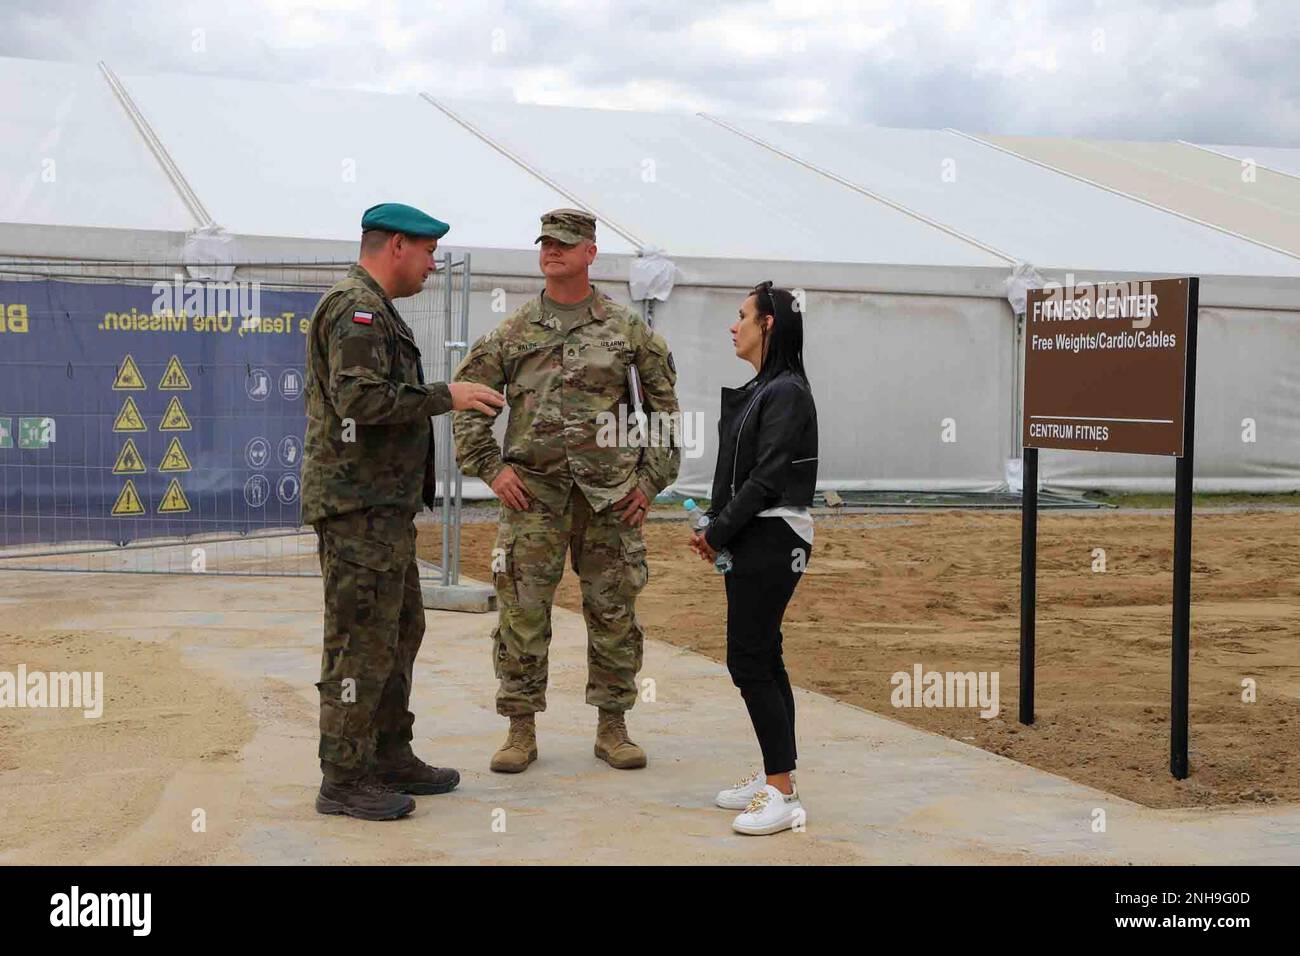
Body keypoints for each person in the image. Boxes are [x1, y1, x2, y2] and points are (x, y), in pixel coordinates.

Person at [452, 208, 681, 774]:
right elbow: (467, 405)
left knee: (614, 613)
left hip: (610, 500)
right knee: (522, 615)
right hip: (533, 498)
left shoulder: (628, 332)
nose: (553, 251)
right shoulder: (513, 331)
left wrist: (650, 483)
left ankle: (613, 726)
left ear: (590, 253)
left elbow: (666, 413)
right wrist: (492, 470)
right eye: (546, 243)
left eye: (566, 243)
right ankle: (520, 730)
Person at [302, 202, 505, 821]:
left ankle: (388, 753)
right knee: (359, 643)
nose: (431, 266)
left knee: (398, 631)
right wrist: (448, 395)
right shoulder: (355, 307)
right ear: (396, 246)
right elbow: (358, 398)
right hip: (356, 507)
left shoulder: (377, 310)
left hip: (381, 511)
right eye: (427, 253)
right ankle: (343, 776)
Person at [689, 281, 818, 835]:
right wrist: (718, 527)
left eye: (741, 315)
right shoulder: (767, 387)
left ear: (767, 324)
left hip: (773, 537)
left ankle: (782, 792)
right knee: (765, 656)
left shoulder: (786, 390)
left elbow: (767, 478)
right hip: (757, 536)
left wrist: (717, 531)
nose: (732, 325)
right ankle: (775, 774)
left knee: (748, 659)